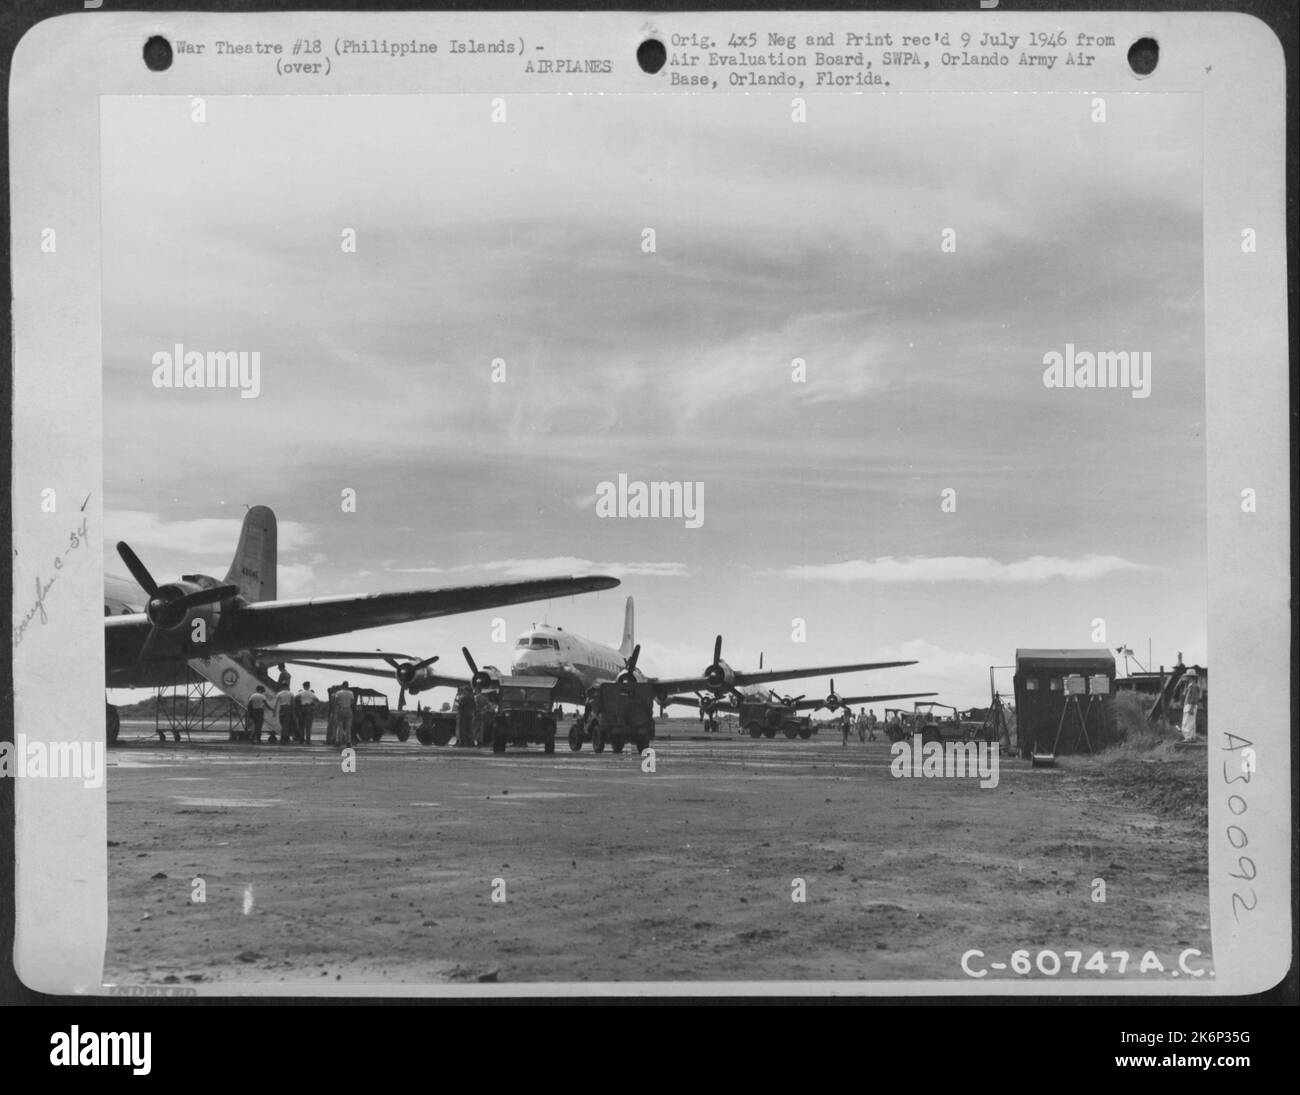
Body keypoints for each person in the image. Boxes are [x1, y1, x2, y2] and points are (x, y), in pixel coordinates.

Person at [1180, 671, 1202, 743]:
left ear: (1190, 677)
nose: (1186, 678)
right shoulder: (1190, 686)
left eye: (1188, 676)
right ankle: (1191, 737)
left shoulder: (1193, 686)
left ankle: (1188, 738)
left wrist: (1192, 707)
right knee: (1190, 721)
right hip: (1188, 705)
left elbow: (1194, 698)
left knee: (1187, 722)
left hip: (1190, 705)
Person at [334, 681, 355, 748]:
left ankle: (338, 741)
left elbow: (336, 701)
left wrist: (340, 705)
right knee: (348, 727)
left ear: (342, 685)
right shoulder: (351, 693)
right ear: (348, 686)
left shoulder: (338, 692)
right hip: (348, 709)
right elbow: (352, 702)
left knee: (339, 726)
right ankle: (348, 742)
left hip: (341, 709)